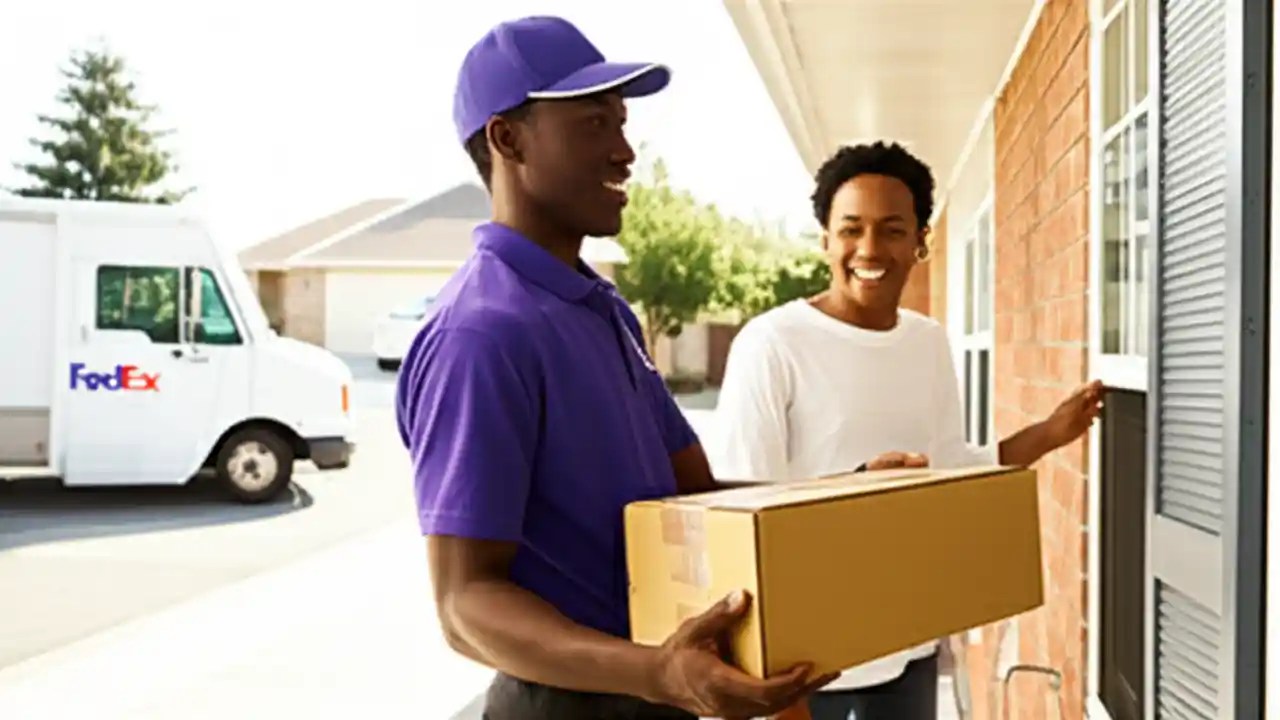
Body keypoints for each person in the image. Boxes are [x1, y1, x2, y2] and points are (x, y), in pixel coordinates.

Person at [395, 16, 837, 720]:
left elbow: (692, 498)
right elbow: (465, 604)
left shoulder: (603, 309)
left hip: (656, 691)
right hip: (567, 705)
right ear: (508, 140)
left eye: (622, 124)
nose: (625, 151)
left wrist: (850, 498)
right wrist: (659, 672)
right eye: (594, 123)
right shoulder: (481, 332)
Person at [714, 141, 1104, 720]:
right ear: (825, 238)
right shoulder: (772, 344)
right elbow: (738, 511)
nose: (869, 249)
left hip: (907, 647)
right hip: (803, 668)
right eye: (851, 229)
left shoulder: (926, 342)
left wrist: (1048, 434)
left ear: (920, 242)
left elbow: (948, 470)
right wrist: (776, 695)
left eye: (892, 230)